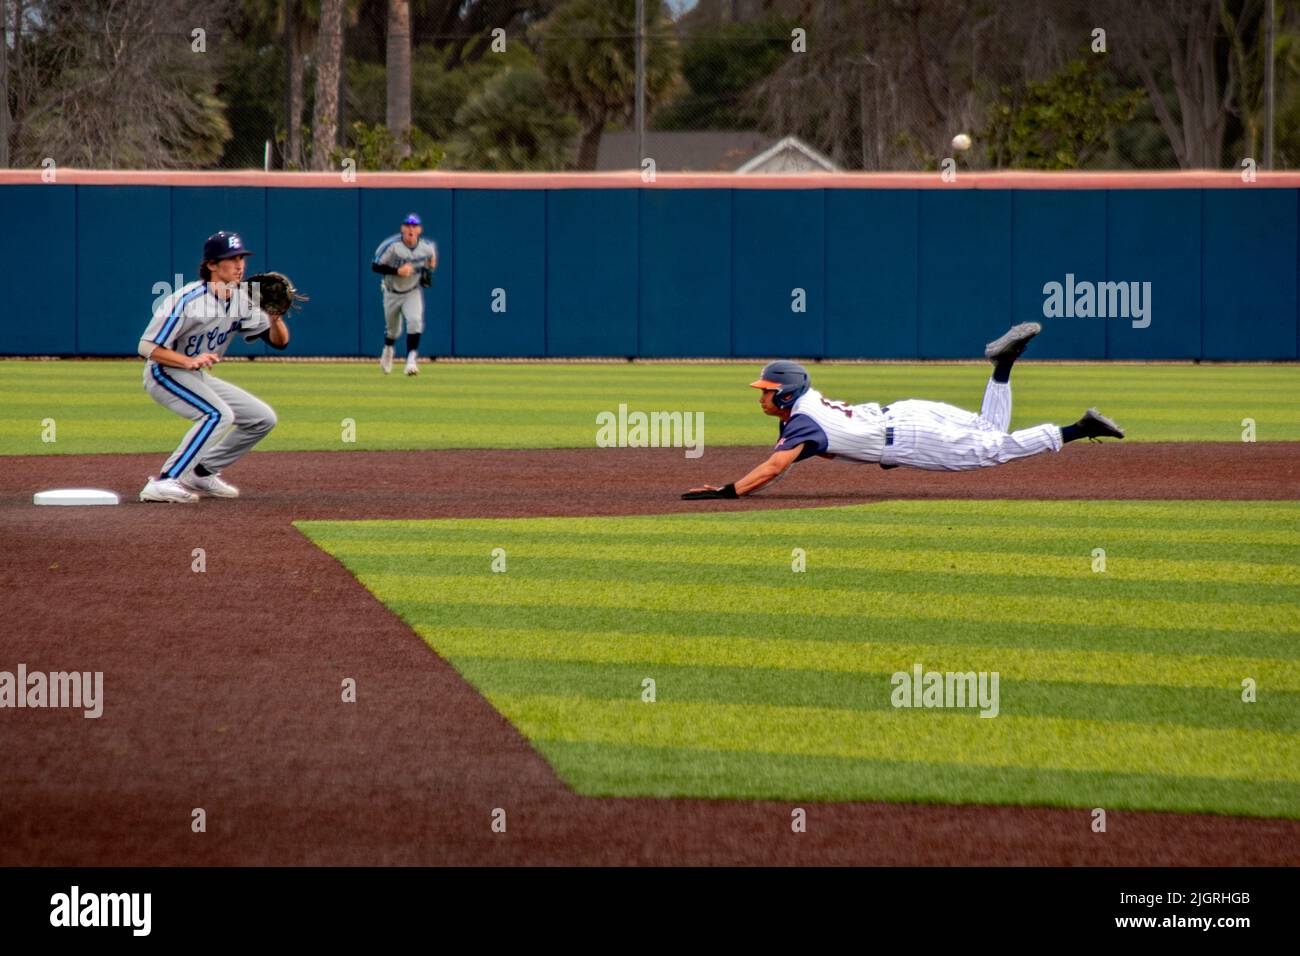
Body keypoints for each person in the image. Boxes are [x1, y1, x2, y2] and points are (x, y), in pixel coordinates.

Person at [682, 322, 1125, 500]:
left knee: (995, 449)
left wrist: (730, 491)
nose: (760, 396)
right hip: (910, 413)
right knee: (990, 428)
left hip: (911, 438)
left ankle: (1078, 428)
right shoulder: (807, 407)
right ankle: (1004, 365)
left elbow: (776, 464)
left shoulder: (803, 422)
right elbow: (788, 458)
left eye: (766, 390)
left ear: (784, 394)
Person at [136, 230, 290, 503]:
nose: (239, 264)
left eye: (241, 257)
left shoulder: (243, 299)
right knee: (218, 414)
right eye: (231, 258)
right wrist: (187, 361)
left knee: (262, 418)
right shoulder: (186, 300)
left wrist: (275, 319)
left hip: (194, 374)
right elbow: (147, 347)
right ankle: (165, 480)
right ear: (211, 265)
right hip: (165, 372)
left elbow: (279, 343)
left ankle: (201, 472)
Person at [372, 212, 437, 376]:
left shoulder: (426, 247)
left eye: (414, 226)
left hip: (412, 291)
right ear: (402, 228)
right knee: (393, 331)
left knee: (415, 321)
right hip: (391, 291)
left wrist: (429, 270)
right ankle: (388, 350)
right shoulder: (392, 245)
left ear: (420, 229)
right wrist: (397, 270)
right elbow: (375, 266)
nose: (411, 229)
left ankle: (411, 361)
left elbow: (430, 263)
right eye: (408, 226)